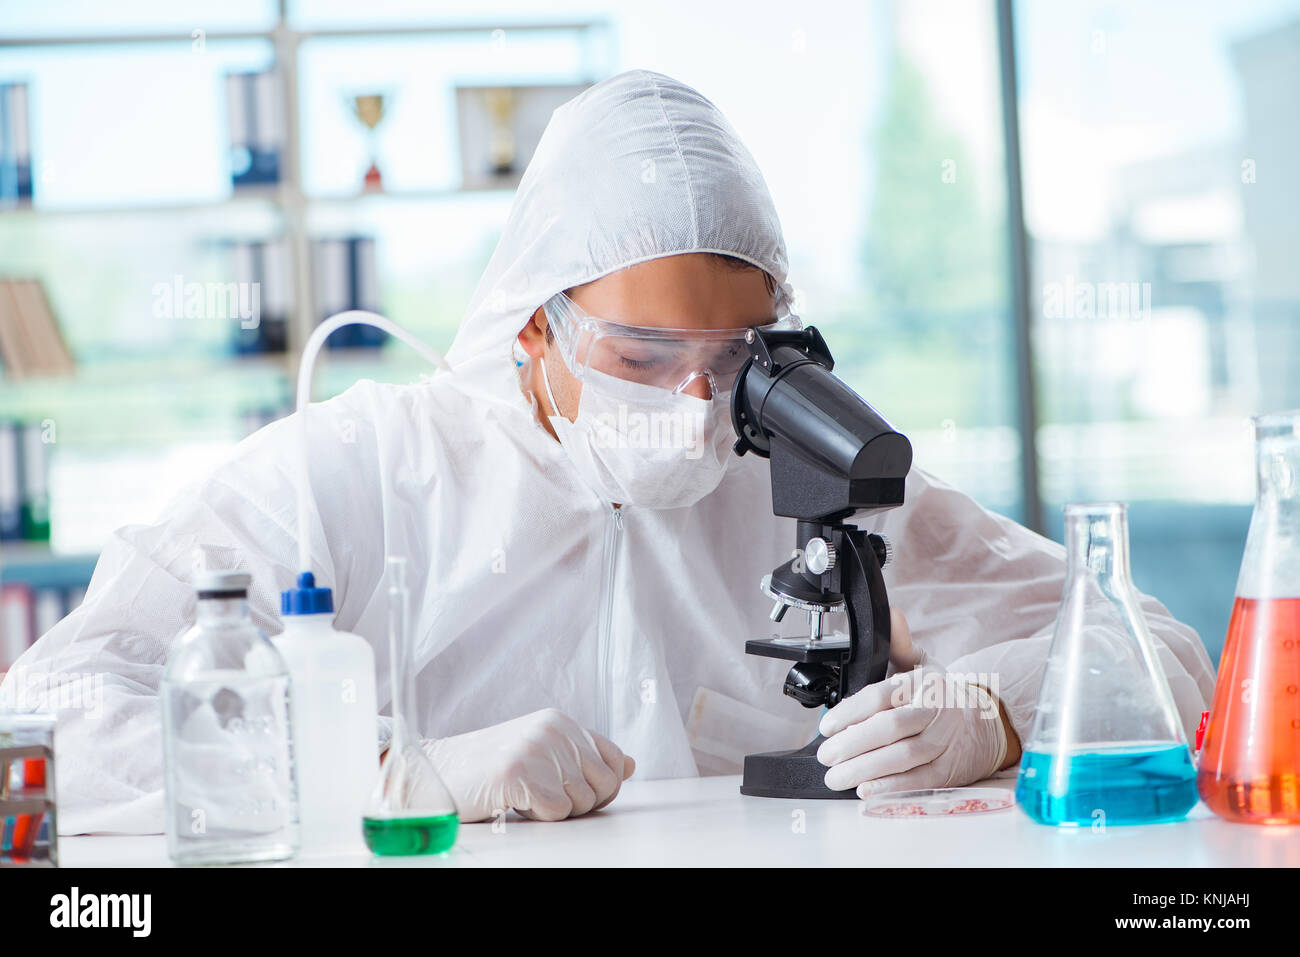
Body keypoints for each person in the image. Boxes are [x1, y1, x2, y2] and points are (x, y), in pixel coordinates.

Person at [0, 71, 1214, 833]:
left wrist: (996, 709)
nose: (694, 408)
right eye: (638, 357)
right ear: (537, 326)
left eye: (732, 357)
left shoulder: (797, 472)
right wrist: (382, 770)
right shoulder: (356, 471)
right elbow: (51, 713)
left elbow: (1157, 649)